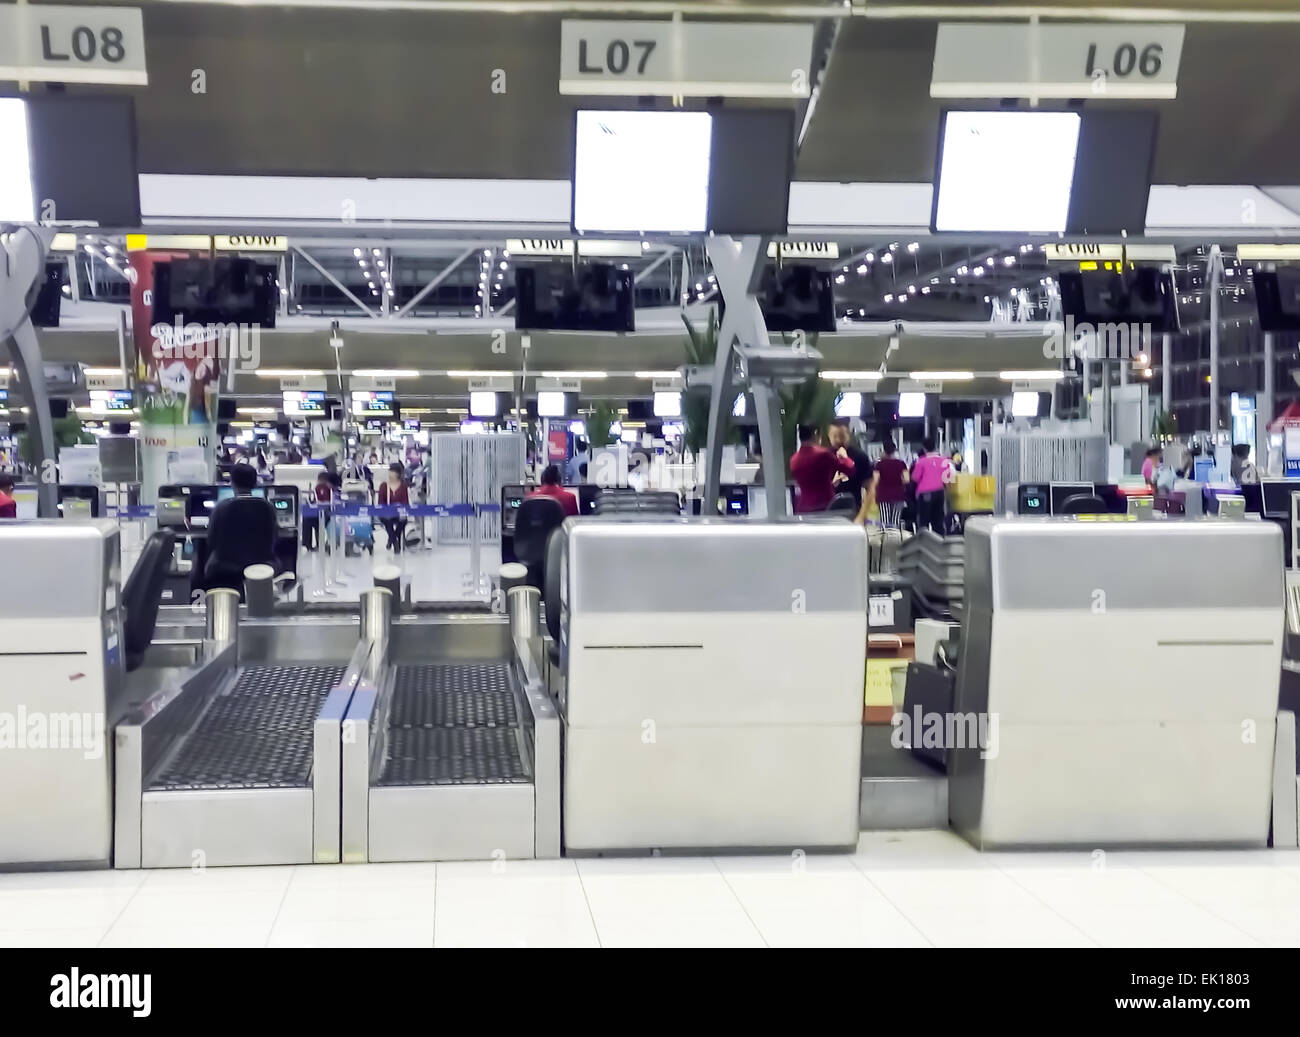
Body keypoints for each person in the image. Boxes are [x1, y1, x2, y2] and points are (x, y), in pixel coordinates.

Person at [203, 463, 276, 597]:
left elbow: (211, 541)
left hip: (225, 566)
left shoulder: (221, 508)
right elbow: (273, 538)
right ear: (255, 483)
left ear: (232, 482)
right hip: (261, 565)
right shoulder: (267, 507)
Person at [789, 423, 855, 513]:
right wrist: (844, 457)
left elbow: (812, 484)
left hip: (803, 508)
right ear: (815, 434)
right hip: (824, 507)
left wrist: (831, 484)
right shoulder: (822, 454)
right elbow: (849, 469)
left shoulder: (794, 459)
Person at [828, 420, 873, 512]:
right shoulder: (824, 457)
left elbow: (870, 488)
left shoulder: (860, 457)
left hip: (849, 510)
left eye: (841, 436)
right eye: (835, 436)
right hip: (833, 510)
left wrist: (862, 515)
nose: (838, 440)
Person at [911, 438, 952, 535]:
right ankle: (939, 543)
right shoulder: (944, 461)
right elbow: (948, 480)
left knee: (923, 521)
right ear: (935, 447)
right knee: (938, 521)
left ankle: (923, 543)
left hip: (925, 493)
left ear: (924, 448)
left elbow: (915, 478)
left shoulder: (921, 462)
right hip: (940, 492)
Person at [865, 439, 908, 528]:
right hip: (898, 494)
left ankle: (886, 539)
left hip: (883, 495)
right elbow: (907, 479)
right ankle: (895, 539)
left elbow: (876, 480)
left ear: (884, 450)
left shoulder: (879, 465)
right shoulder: (901, 463)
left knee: (884, 520)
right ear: (894, 450)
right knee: (896, 519)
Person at [377, 462, 410, 553]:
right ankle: (395, 542)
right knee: (386, 520)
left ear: (398, 474)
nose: (390, 473)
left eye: (392, 471)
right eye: (389, 471)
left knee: (403, 521)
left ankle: (392, 538)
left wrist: (400, 510)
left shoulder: (403, 486)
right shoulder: (384, 486)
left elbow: (405, 502)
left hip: (399, 513)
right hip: (386, 512)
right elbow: (380, 502)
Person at [304, 469, 334, 551]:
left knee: (311, 521)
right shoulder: (318, 488)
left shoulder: (327, 488)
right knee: (309, 520)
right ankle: (313, 544)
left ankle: (310, 544)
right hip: (320, 513)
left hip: (327, 514)